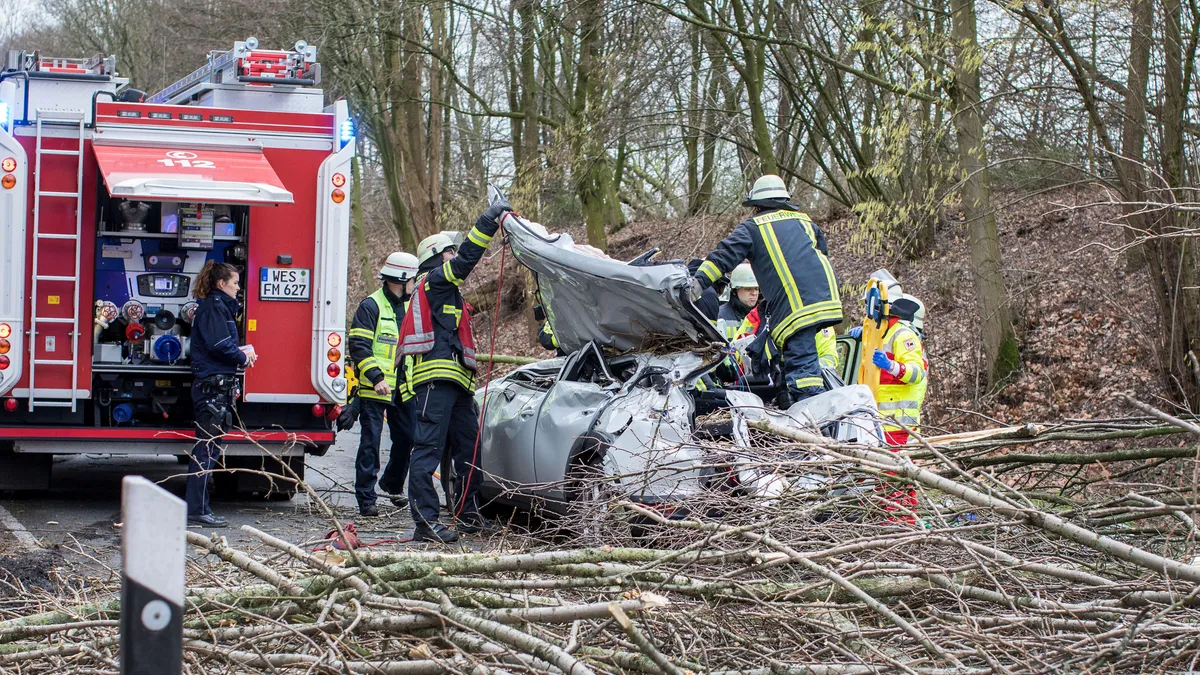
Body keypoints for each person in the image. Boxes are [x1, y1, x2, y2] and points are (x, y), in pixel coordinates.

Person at [399, 203, 510, 543]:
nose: (454, 255)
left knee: (469, 451)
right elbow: (465, 262)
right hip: (435, 382)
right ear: (436, 257)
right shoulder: (434, 282)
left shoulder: (446, 291)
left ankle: (468, 514)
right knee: (427, 451)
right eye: (449, 251)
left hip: (457, 384)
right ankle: (425, 523)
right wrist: (488, 223)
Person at [692, 175, 843, 407]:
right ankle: (792, 400)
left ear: (757, 206)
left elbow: (723, 257)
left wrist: (694, 285)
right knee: (796, 354)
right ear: (784, 201)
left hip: (796, 306)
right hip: (827, 297)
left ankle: (811, 409)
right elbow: (820, 254)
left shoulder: (753, 227)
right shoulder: (805, 221)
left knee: (802, 364)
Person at [348, 252, 419, 517]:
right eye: (412, 280)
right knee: (370, 443)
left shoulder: (410, 307)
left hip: (403, 387)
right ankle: (366, 498)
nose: (414, 285)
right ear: (401, 280)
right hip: (374, 389)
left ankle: (391, 483)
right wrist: (376, 377)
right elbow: (359, 346)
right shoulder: (371, 306)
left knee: (408, 437)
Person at [186, 261, 256, 528]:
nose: (238, 288)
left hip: (215, 387)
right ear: (221, 283)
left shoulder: (217, 307)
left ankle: (200, 508)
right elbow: (220, 344)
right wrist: (242, 357)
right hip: (212, 388)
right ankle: (197, 510)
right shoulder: (215, 308)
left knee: (209, 448)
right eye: (235, 283)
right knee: (206, 449)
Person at [717, 263, 758, 340]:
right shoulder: (720, 315)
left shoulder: (763, 316)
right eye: (748, 288)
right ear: (735, 290)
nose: (754, 293)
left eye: (756, 288)